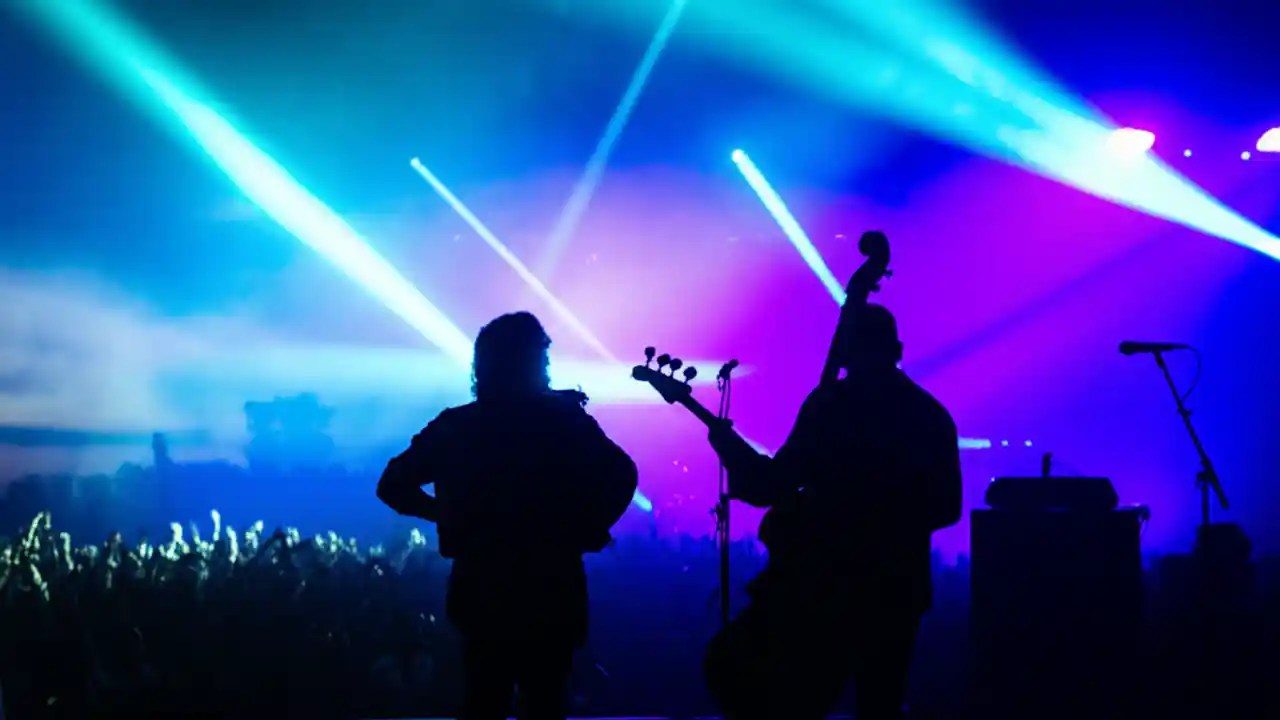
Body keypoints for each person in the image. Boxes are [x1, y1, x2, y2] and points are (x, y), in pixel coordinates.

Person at [703, 304, 962, 720]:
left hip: (825, 586)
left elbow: (775, 483)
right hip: (897, 587)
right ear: (897, 349)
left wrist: (729, 448)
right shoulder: (929, 416)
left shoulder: (830, 407)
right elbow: (948, 507)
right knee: (880, 703)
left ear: (844, 352)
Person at [376, 312, 638, 720]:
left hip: (482, 585)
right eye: (541, 358)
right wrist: (589, 525)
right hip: (552, 584)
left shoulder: (459, 427)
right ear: (528, 362)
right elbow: (622, 474)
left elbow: (392, 484)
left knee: (485, 700)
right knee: (546, 702)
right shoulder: (565, 420)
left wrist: (449, 515)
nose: (548, 368)